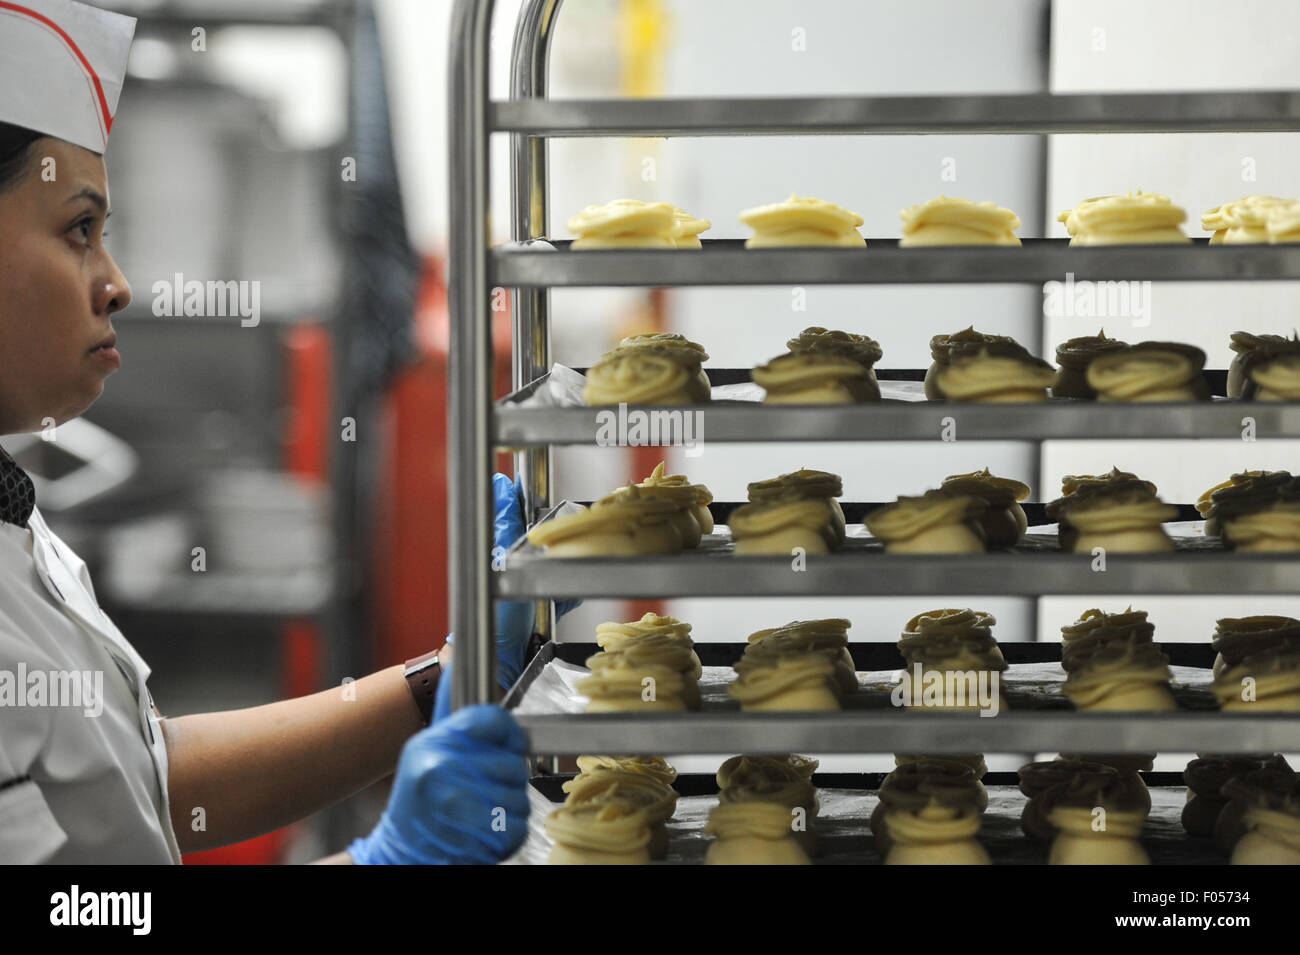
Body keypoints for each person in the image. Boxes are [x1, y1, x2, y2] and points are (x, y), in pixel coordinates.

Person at [0, 0, 537, 865]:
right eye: (78, 231)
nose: (116, 283)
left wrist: (442, 681)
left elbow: (135, 783)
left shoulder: (13, 522)